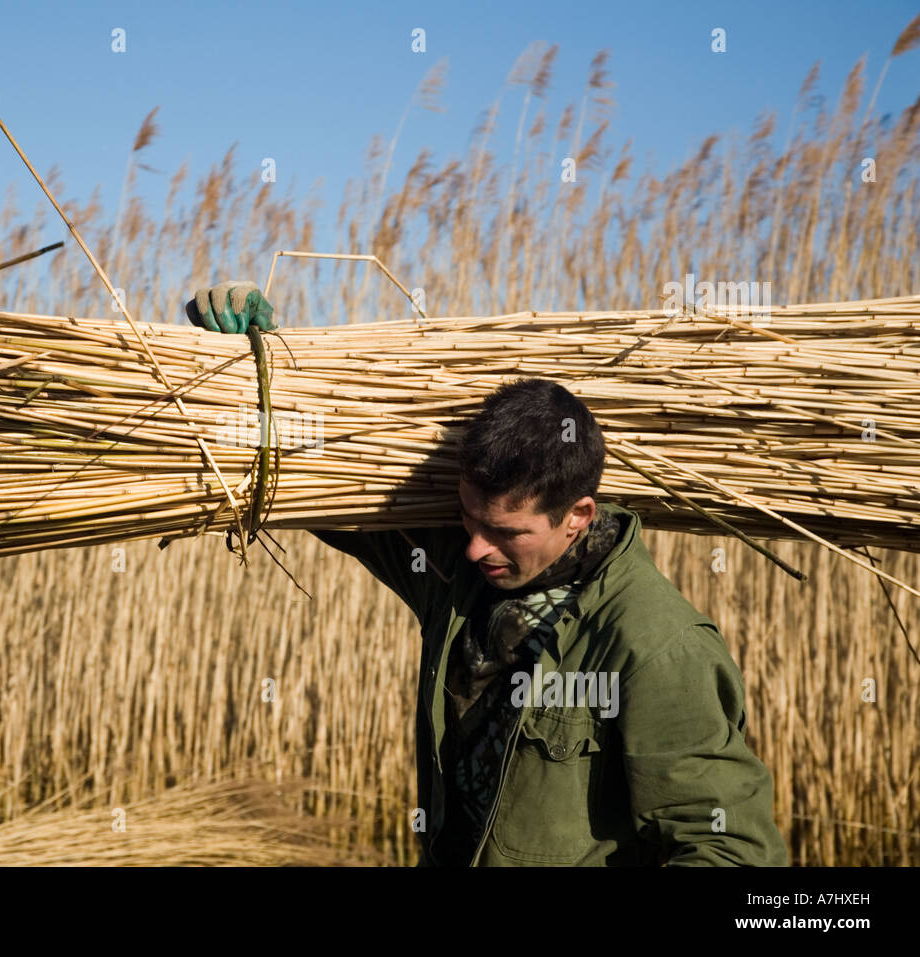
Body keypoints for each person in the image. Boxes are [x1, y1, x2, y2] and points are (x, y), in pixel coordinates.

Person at [186, 281, 788, 867]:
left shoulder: (655, 645)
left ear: (578, 515)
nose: (476, 548)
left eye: (506, 532)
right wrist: (254, 359)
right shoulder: (456, 576)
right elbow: (312, 486)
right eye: (468, 518)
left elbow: (729, 850)